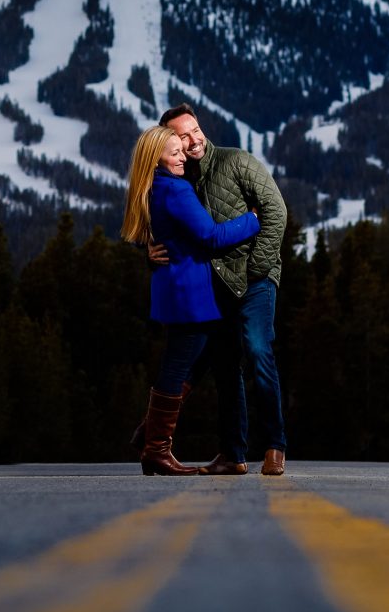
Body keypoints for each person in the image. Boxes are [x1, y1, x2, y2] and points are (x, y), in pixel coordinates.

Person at [156, 104, 289, 477]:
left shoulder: (237, 161)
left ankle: (275, 446)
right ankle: (233, 454)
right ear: (170, 142)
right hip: (213, 285)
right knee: (225, 366)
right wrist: (148, 248)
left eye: (195, 129)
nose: (193, 139)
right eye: (182, 135)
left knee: (259, 350)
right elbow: (157, 222)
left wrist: (256, 269)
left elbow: (275, 211)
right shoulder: (177, 179)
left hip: (255, 278)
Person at [121, 125, 260, 476]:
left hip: (175, 288)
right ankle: (156, 449)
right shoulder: (176, 190)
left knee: (189, 361)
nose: (182, 155)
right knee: (178, 364)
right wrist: (252, 220)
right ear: (158, 158)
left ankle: (150, 435)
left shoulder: (154, 187)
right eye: (174, 152)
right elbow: (211, 236)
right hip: (189, 291)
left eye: (182, 150)